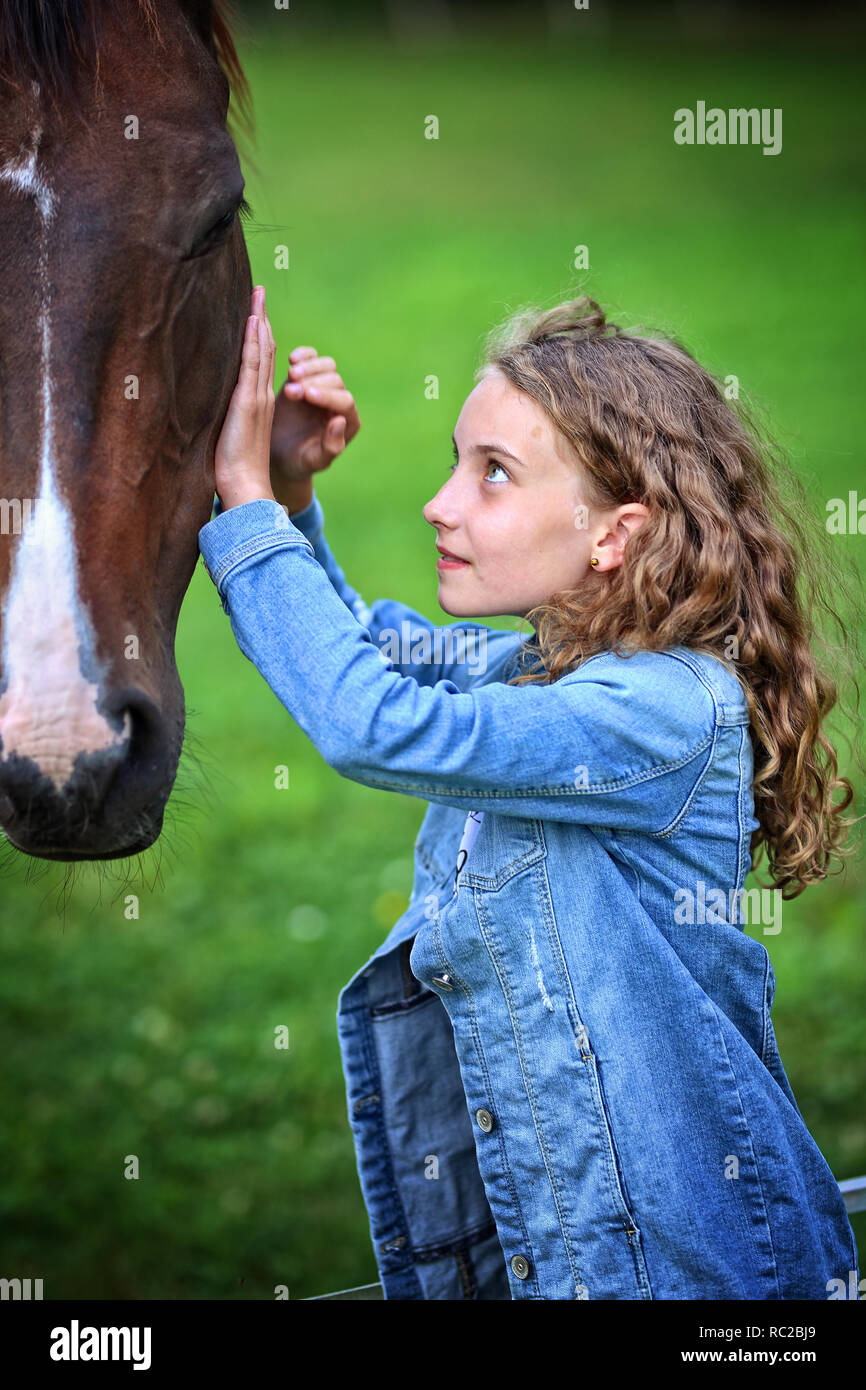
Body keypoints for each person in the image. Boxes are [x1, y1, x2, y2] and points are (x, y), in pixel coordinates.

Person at [198, 284, 862, 1300]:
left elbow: (370, 718)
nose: (439, 503)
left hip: (696, 1280)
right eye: (456, 464)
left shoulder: (660, 711)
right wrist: (285, 498)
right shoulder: (537, 671)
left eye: (492, 474)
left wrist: (242, 504)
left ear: (614, 536)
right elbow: (374, 656)